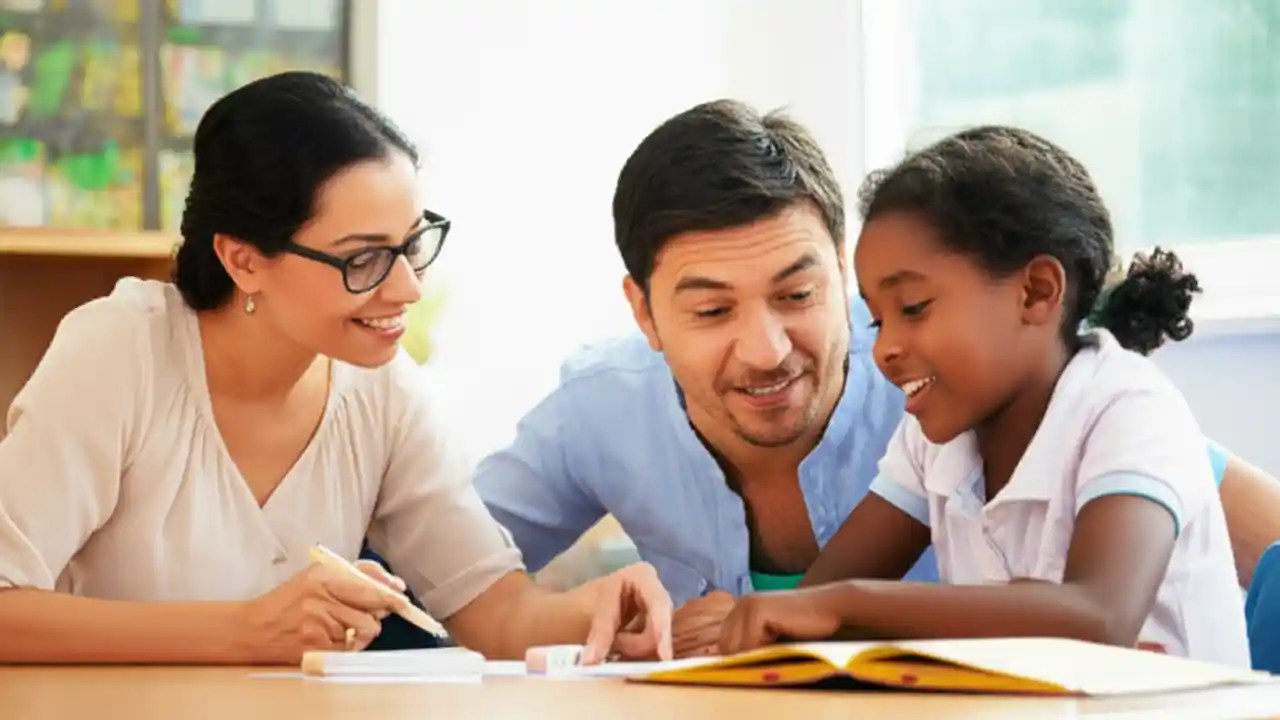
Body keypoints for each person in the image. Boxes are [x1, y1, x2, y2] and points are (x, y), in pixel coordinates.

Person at [473, 99, 1279, 659]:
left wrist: (832, 612)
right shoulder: (937, 428)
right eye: (713, 311)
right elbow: (438, 573)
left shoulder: (1086, 400)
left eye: (799, 294)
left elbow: (1109, 606)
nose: (765, 349)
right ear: (643, 315)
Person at [0, 71, 671, 665]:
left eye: (412, 244)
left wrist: (596, 609)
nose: (408, 287)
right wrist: (246, 632)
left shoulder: (385, 388)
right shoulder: (121, 352)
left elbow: (491, 611)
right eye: (364, 258)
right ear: (242, 259)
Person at [716, 126, 1249, 667]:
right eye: (878, 322)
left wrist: (849, 605)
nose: (886, 350)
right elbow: (811, 605)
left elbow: (1100, 618)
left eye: (915, 307)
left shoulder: (1128, 409)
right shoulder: (933, 441)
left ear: (1037, 291)